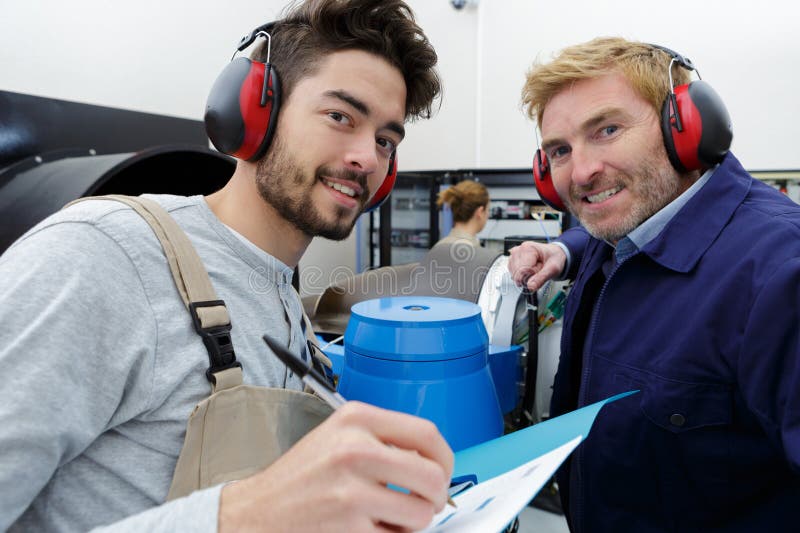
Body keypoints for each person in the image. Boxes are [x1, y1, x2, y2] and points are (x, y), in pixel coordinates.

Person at [0, 1, 455, 531]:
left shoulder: (283, 299)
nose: (367, 158)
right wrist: (244, 515)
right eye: (340, 116)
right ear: (253, 113)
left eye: (385, 140)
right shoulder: (103, 255)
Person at [508, 37, 800, 531]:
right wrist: (563, 251)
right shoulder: (622, 230)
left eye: (607, 129)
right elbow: (598, 238)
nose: (580, 172)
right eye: (560, 149)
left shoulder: (781, 275)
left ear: (686, 129)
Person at [436, 179, 490, 247]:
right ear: (480, 212)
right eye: (488, 210)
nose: (488, 214)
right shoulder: (476, 251)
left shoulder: (439, 246)